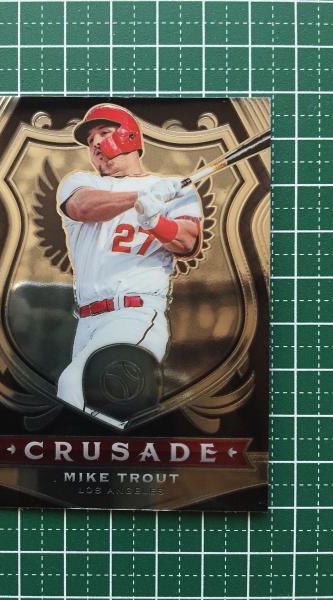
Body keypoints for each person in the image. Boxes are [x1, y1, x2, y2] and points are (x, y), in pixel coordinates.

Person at [55, 103, 203, 413]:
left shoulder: (175, 190)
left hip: (135, 313)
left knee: (75, 386)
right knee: (93, 410)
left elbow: (188, 242)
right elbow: (83, 207)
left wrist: (155, 222)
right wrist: (140, 197)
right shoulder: (82, 182)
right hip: (87, 321)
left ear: (130, 136)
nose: (95, 142)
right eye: (90, 139)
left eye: (104, 132)